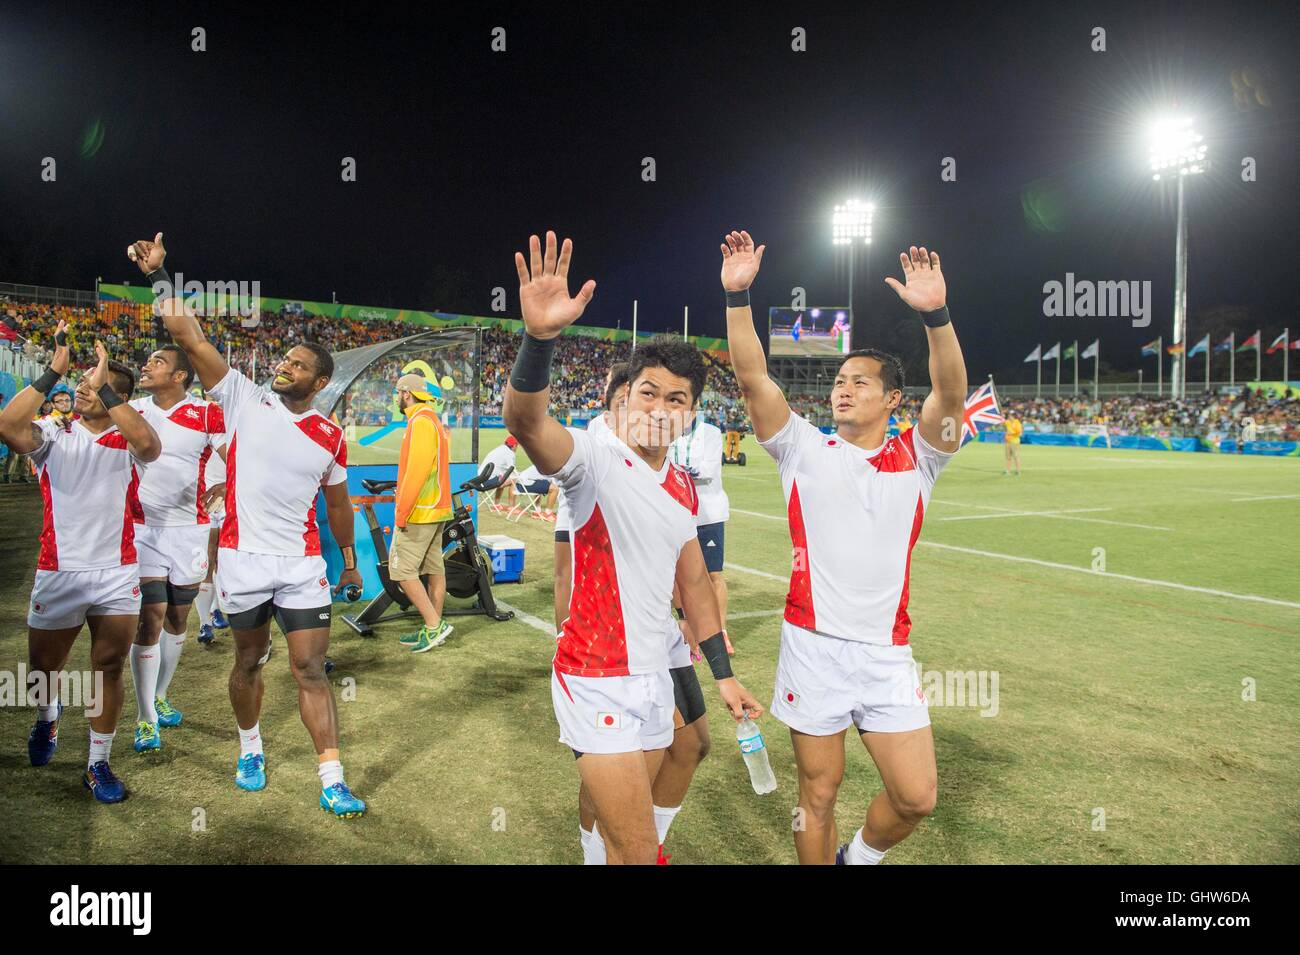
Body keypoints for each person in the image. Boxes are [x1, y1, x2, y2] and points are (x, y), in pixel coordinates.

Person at [502, 229, 761, 864]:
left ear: (691, 414)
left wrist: (724, 677)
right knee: (639, 851)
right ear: (624, 398)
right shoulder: (593, 458)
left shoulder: (680, 484)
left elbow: (695, 585)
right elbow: (527, 423)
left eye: (678, 399)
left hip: (654, 671)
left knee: (646, 804)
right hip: (597, 677)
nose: (661, 406)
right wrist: (539, 338)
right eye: (649, 391)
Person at [721, 230, 967, 865]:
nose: (843, 387)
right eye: (839, 379)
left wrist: (936, 316)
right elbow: (752, 377)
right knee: (819, 791)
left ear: (893, 401)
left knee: (916, 797)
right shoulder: (802, 447)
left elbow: (952, 396)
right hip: (813, 647)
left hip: (887, 653)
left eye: (860, 381)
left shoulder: (919, 456)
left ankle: (857, 858)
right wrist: (738, 295)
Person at [128, 232, 366, 818]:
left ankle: (331, 776)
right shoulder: (241, 397)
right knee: (249, 663)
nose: (285, 368)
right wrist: (162, 277)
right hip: (241, 561)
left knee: (310, 668)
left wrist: (352, 560)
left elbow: (337, 505)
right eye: (284, 360)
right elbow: (190, 335)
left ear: (318, 383)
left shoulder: (331, 437)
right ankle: (250, 748)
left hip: (303, 566)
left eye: (298, 366)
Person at [0, 323, 162, 802]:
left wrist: (104, 384)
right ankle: (48, 718)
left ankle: (97, 764)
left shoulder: (129, 441)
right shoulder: (54, 432)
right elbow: (8, 426)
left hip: (116, 574)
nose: (83, 390)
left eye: (94, 385)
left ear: (117, 394)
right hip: (59, 571)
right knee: (41, 672)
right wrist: (55, 372)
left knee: (107, 667)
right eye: (83, 385)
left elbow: (150, 444)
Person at [126, 345, 226, 751]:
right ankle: (145, 716)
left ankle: (162, 696)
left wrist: (230, 481)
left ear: (180, 375)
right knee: (150, 617)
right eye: (147, 360)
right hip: (142, 529)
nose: (146, 366)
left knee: (176, 619)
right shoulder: (131, 410)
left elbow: (238, 457)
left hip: (188, 532)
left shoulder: (205, 413)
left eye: (158, 362)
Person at [553, 364, 629, 630]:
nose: (606, 385)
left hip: (607, 511)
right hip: (581, 509)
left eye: (610, 380)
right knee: (567, 576)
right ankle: (564, 638)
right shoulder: (599, 424)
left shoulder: (632, 424)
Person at [390, 372, 455, 653]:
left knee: (401, 570)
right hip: (436, 508)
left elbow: (416, 471)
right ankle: (434, 627)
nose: (397, 399)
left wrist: (401, 511)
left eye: (398, 393)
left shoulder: (420, 421)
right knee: (433, 569)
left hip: (421, 510)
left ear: (407, 394)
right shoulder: (431, 419)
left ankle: (433, 625)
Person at [669, 410, 732, 653]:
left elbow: (706, 470)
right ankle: (688, 625)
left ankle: (721, 632)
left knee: (714, 574)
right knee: (677, 574)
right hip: (678, 512)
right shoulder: (668, 433)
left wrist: (677, 470)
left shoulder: (711, 433)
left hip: (708, 514)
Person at [481, 434, 518, 512]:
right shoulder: (510, 453)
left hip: (479, 479)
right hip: (487, 481)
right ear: (514, 445)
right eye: (517, 446)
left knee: (502, 477)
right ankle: (511, 507)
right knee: (514, 480)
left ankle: (496, 504)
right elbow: (512, 470)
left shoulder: (499, 448)